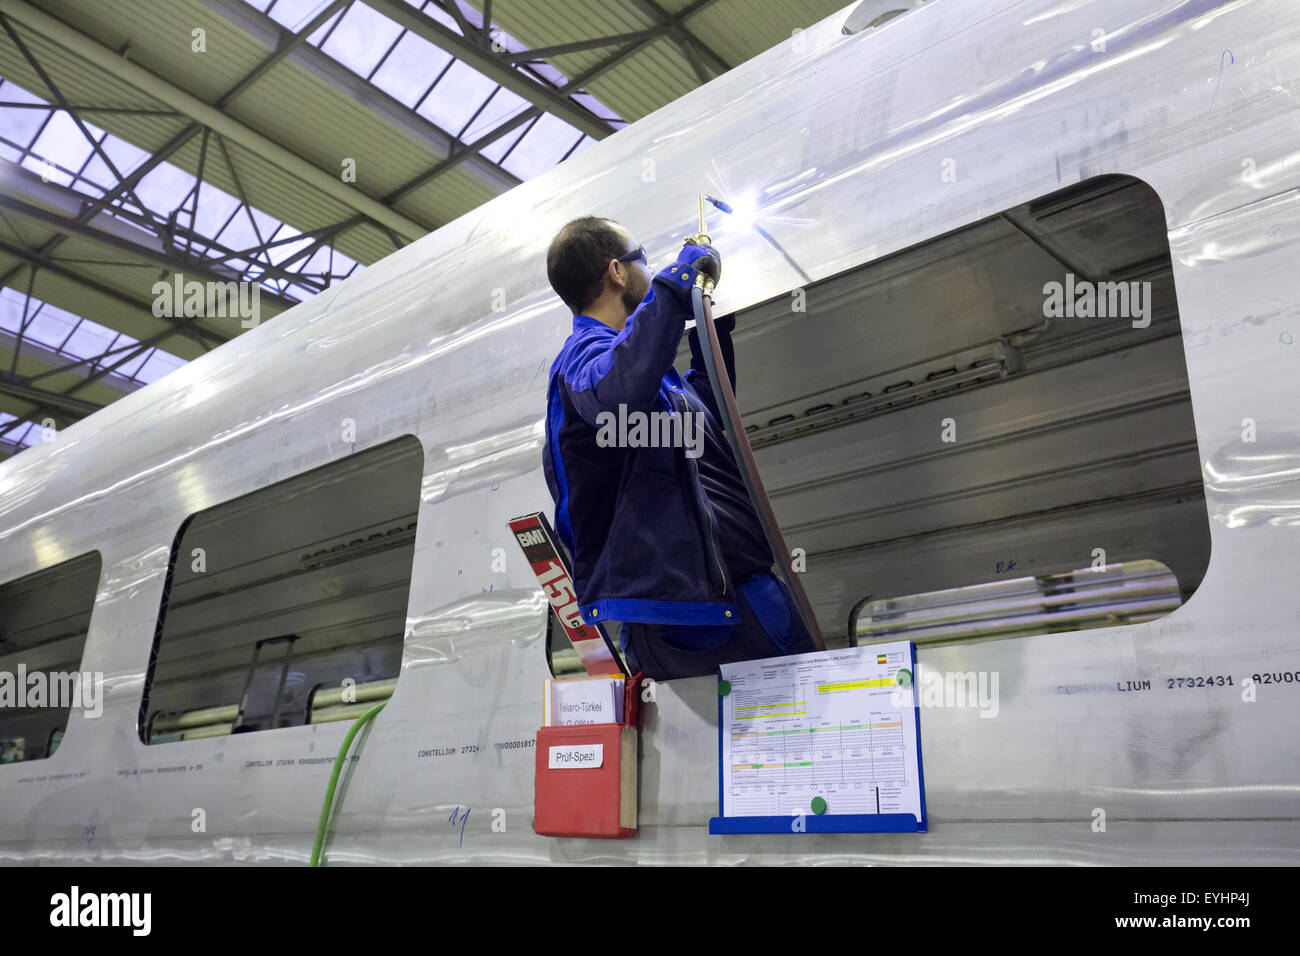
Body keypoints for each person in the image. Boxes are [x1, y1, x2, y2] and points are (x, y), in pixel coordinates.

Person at [541, 216, 816, 680]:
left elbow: (700, 419)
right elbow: (617, 390)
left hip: (717, 602)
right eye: (644, 261)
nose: (653, 273)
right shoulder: (583, 358)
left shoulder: (648, 378)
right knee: (806, 735)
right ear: (617, 272)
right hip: (698, 613)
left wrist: (715, 324)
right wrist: (678, 283)